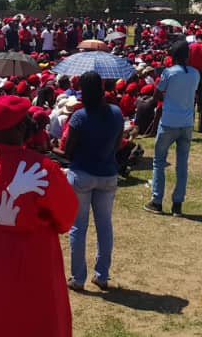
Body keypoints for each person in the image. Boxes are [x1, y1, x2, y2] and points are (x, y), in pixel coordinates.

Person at [0, 95, 77, 337]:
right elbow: (66, 217)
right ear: (21, 126)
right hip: (34, 255)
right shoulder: (42, 168)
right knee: (35, 317)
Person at [62, 71, 123, 292]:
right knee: (104, 225)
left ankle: (78, 279)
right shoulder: (116, 113)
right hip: (108, 173)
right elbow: (118, 144)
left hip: (82, 174)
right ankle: (102, 275)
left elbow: (68, 151)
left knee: (79, 227)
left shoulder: (80, 116)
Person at [145, 40, 199, 216]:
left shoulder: (169, 73)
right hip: (187, 122)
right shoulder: (195, 73)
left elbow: (156, 94)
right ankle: (177, 204)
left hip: (168, 121)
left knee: (159, 161)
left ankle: (157, 201)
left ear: (172, 57)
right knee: (182, 164)